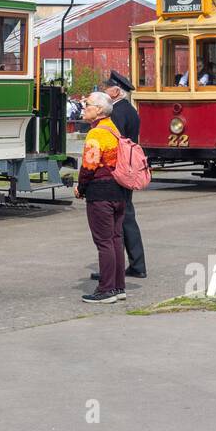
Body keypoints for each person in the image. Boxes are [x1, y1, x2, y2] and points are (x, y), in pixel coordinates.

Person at [76, 91, 128, 304]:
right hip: (118, 190)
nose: (83, 108)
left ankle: (105, 289)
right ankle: (118, 286)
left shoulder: (96, 134)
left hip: (100, 193)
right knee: (115, 239)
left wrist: (80, 187)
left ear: (98, 110)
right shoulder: (113, 129)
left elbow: (89, 165)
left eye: (87, 104)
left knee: (104, 242)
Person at [96, 69, 146, 279]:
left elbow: (111, 143)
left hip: (118, 171)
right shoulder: (130, 110)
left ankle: (119, 267)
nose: (104, 90)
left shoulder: (116, 113)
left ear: (116, 91)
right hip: (127, 169)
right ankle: (136, 263)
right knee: (126, 217)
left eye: (107, 87)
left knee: (116, 221)